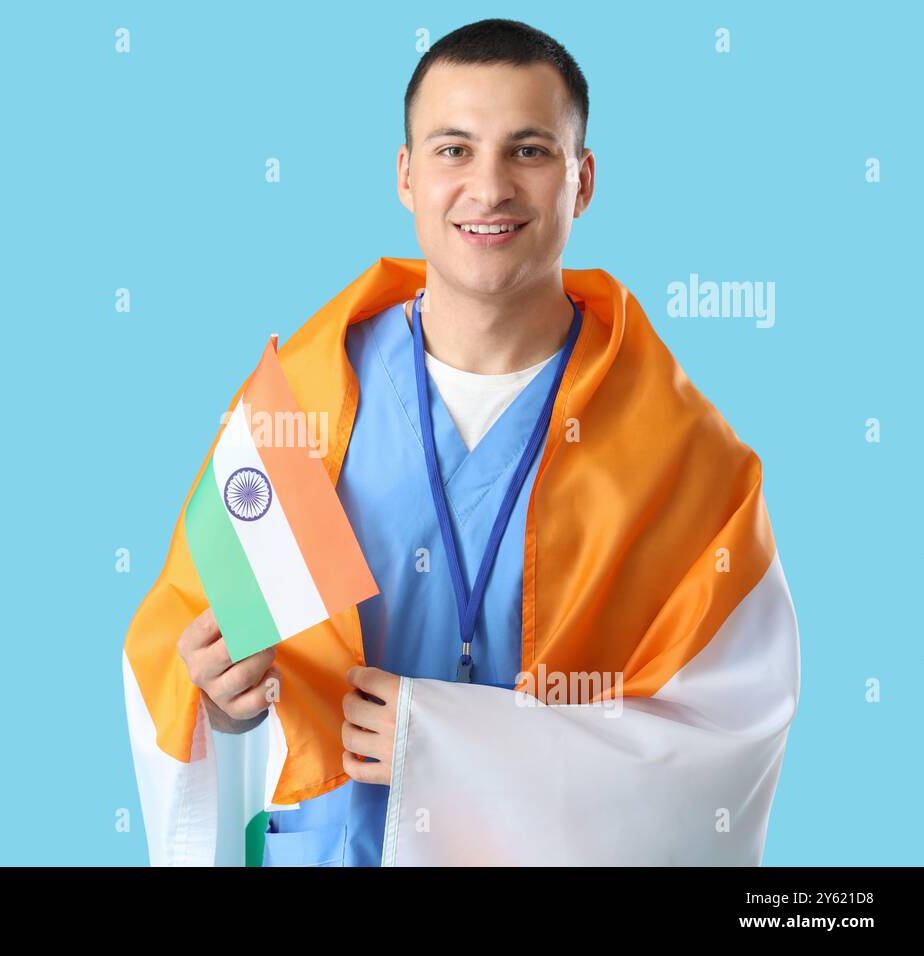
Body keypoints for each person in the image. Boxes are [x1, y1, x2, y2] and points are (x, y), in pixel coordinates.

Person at [122, 18, 799, 866]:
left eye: (529, 151)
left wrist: (447, 742)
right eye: (452, 149)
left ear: (581, 181)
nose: (489, 187)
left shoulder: (688, 460)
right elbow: (183, 658)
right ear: (406, 176)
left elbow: (723, 737)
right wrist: (221, 709)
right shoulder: (296, 406)